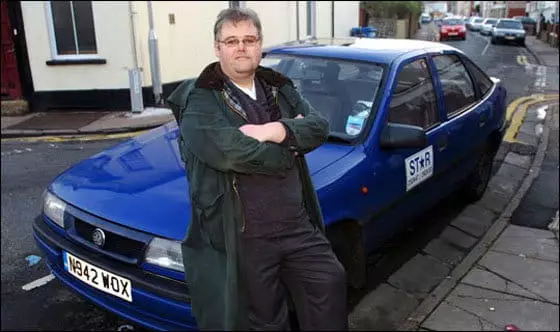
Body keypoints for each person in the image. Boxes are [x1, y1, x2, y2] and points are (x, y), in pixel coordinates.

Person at [167, 7, 348, 331]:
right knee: (265, 319)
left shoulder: (279, 87)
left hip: (296, 227)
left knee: (330, 281)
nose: (241, 47)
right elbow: (230, 152)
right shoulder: (201, 98)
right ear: (217, 47)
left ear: (260, 44)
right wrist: (289, 149)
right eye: (232, 40)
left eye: (249, 39)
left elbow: (319, 127)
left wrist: (275, 131)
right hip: (247, 238)